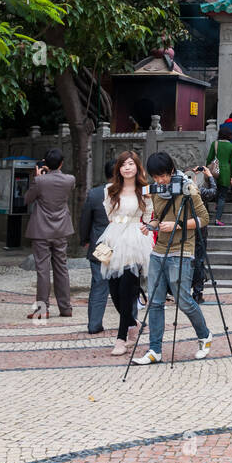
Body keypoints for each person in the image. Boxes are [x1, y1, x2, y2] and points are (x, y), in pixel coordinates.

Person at [134, 152, 213, 366]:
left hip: (182, 249)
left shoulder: (188, 189)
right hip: (159, 249)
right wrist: (150, 226)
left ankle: (205, 336)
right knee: (155, 302)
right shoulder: (158, 192)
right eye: (155, 177)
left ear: (171, 170)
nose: (159, 181)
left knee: (183, 300)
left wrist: (178, 225)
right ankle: (155, 350)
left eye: (162, 176)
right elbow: (159, 218)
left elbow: (204, 219)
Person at [98, 150, 153, 355]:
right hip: (113, 237)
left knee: (126, 290)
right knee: (114, 291)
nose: (127, 168)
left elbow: (148, 216)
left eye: (130, 164)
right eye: (123, 164)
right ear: (118, 168)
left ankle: (121, 339)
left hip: (135, 240)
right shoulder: (110, 189)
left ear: (137, 167)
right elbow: (109, 215)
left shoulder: (145, 190)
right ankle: (133, 323)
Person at [24, 148, 76, 321]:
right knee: (62, 268)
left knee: (43, 270)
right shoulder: (70, 180)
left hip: (41, 230)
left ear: (45, 163)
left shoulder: (40, 182)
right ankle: (66, 307)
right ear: (61, 163)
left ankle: (42, 309)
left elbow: (27, 199)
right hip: (61, 229)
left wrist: (37, 178)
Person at [79, 159, 119, 335]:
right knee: (126, 285)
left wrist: (85, 239)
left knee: (99, 285)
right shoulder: (128, 193)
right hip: (122, 246)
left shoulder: (94, 194)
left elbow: (85, 220)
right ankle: (131, 321)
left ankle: (94, 324)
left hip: (101, 246)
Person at [190, 165, 217, 303]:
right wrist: (210, 175)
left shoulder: (182, 191)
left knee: (189, 260)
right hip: (200, 229)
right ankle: (197, 292)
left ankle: (185, 290)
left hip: (186, 229)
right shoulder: (199, 191)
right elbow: (213, 191)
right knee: (199, 261)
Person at [207, 126, 232, 225]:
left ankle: (216, 205)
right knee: (222, 196)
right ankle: (218, 219)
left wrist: (207, 170)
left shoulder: (214, 144)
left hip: (214, 172)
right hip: (226, 173)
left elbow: (209, 159)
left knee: (215, 190)